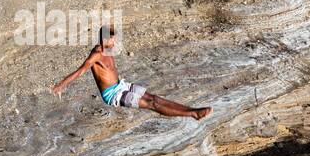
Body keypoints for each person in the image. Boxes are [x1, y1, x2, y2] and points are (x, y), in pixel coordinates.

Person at [50, 26, 211, 119]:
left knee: (155, 98)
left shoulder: (109, 48)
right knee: (152, 104)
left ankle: (193, 109)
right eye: (113, 39)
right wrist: (61, 85)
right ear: (105, 39)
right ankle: (192, 114)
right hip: (113, 94)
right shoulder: (97, 54)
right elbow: (80, 71)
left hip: (121, 85)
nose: (115, 42)